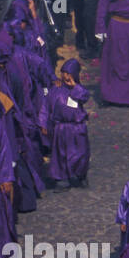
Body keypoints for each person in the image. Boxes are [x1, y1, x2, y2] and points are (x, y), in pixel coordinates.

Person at [40, 58, 90, 189]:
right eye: (63, 73)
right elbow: (46, 107)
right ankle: (61, 179)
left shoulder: (78, 89)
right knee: (61, 155)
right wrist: (43, 123)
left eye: (68, 73)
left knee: (80, 153)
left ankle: (80, 175)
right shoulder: (55, 89)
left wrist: (75, 86)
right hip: (61, 128)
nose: (65, 76)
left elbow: (84, 96)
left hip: (77, 127)